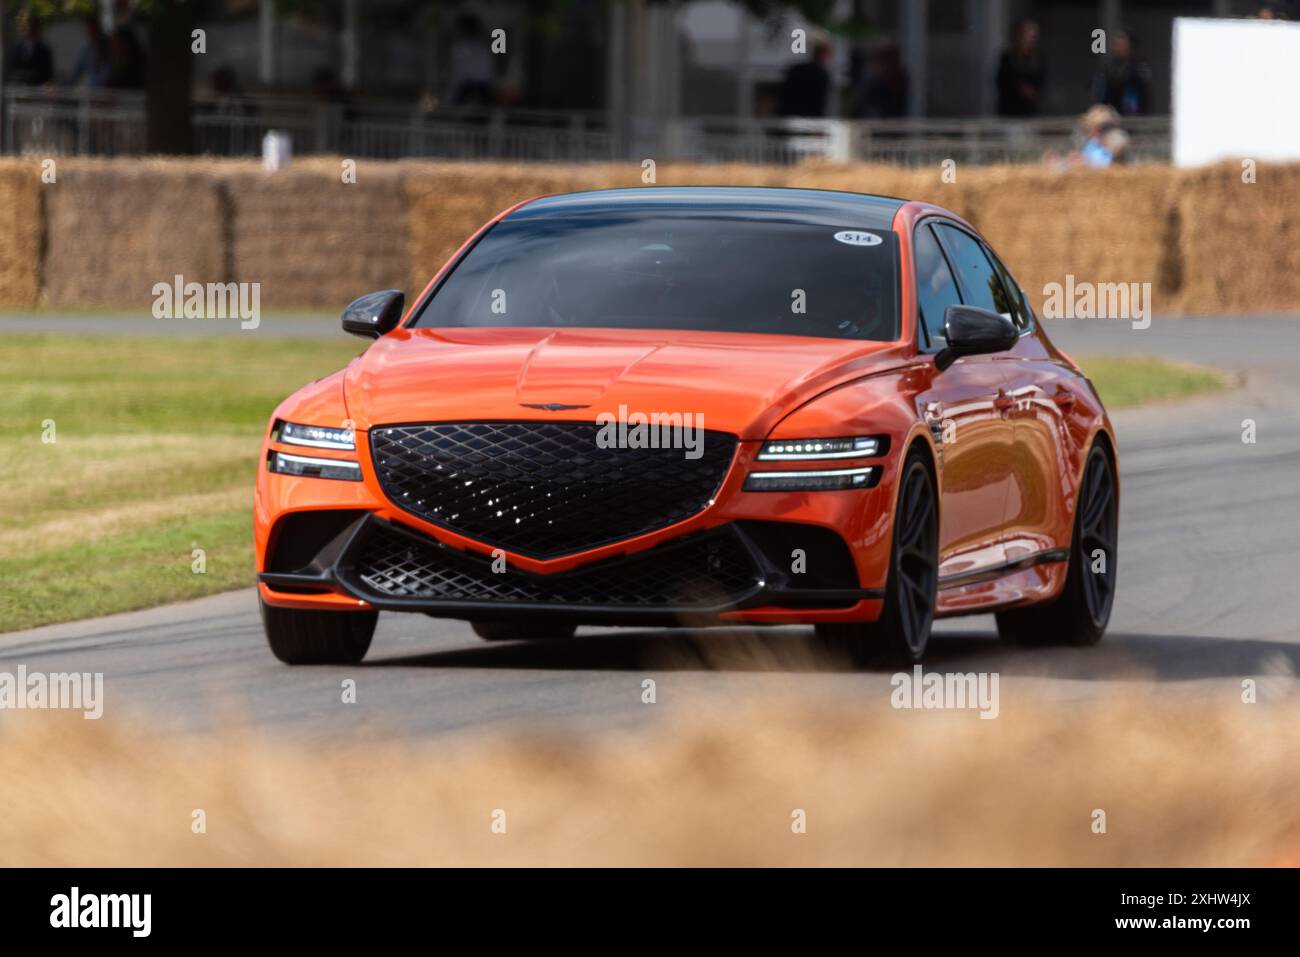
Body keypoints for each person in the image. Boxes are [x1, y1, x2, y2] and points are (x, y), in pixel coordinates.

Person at [1091, 30, 1149, 116]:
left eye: (1122, 44)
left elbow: (1141, 95)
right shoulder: (1108, 68)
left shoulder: (1139, 67)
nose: (1118, 47)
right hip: (1109, 116)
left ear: (1130, 46)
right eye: (1116, 44)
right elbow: (1100, 94)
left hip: (1133, 116)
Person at [996, 18, 1044, 117]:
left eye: (1031, 35)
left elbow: (1042, 82)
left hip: (1030, 111)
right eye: (1024, 34)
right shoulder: (1008, 58)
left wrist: (1032, 92)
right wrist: (1019, 88)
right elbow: (1001, 82)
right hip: (1009, 111)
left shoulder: (1038, 59)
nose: (1027, 38)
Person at [779, 36, 833, 117]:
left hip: (789, 114)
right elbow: (820, 102)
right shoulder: (822, 74)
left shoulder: (796, 69)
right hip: (809, 117)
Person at [856, 40, 908, 119]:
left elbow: (900, 100)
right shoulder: (873, 76)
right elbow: (866, 101)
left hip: (894, 120)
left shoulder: (900, 75)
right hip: (874, 121)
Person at [8, 12, 54, 86]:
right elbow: (13, 68)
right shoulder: (18, 48)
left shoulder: (44, 49)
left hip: (37, 91)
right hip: (20, 90)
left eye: (30, 27)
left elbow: (47, 73)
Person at [70, 15, 111, 89]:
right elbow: (76, 74)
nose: (90, 32)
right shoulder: (87, 51)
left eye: (92, 29)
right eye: (88, 30)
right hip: (93, 94)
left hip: (108, 93)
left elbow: (108, 74)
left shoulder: (108, 49)